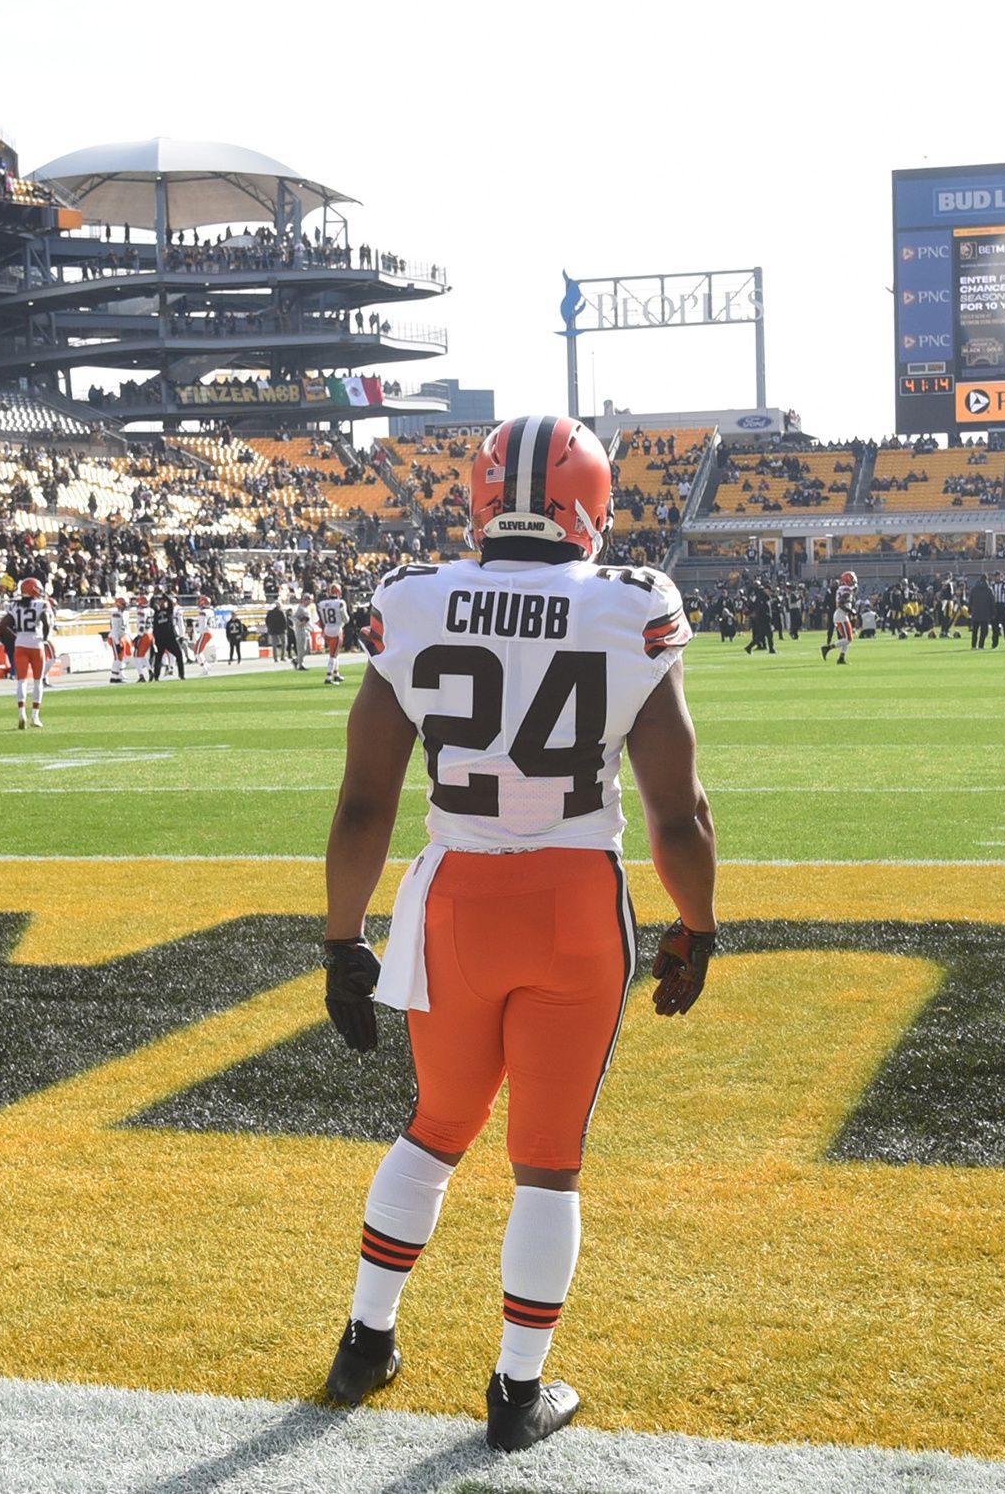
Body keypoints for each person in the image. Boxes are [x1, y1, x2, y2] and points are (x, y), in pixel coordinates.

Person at [317, 415, 718, 1453]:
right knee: (546, 1161)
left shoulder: (413, 598)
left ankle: (365, 1340)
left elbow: (365, 800)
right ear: (592, 505)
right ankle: (515, 1389)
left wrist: (338, 936)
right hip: (573, 900)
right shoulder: (633, 603)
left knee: (434, 1123)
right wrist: (697, 926)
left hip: (453, 897)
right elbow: (678, 810)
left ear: (480, 500)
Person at [5, 575, 53, 728]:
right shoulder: (41, 605)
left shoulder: (13, 606)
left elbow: (3, 625)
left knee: (21, 680)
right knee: (38, 681)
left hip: (20, 644)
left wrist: (17, 636)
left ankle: (21, 713)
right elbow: (45, 623)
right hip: (36, 644)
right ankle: (35, 716)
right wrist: (44, 638)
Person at [822, 570, 858, 665]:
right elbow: (841, 603)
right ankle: (828, 648)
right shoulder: (846, 589)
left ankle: (841, 657)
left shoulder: (843, 588)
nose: (854, 581)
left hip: (841, 615)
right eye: (852, 579)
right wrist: (851, 611)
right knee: (848, 639)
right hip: (841, 615)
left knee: (847, 638)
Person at [106, 597, 135, 683]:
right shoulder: (115, 614)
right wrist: (117, 642)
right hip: (115, 637)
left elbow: (127, 628)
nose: (125, 606)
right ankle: (114, 677)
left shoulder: (126, 613)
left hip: (122, 637)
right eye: (123, 604)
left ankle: (119, 674)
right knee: (117, 658)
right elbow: (114, 629)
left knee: (123, 657)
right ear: (118, 604)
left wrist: (131, 638)